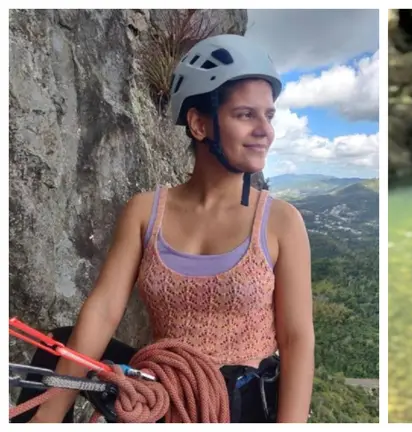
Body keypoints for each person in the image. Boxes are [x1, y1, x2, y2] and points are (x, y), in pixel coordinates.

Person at [14, 34, 315, 423]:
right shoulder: (144, 212)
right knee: (62, 355)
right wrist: (47, 415)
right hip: (162, 403)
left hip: (244, 411)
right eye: (245, 114)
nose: (265, 131)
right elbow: (103, 312)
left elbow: (297, 340)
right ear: (199, 123)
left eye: (268, 115)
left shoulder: (281, 222)